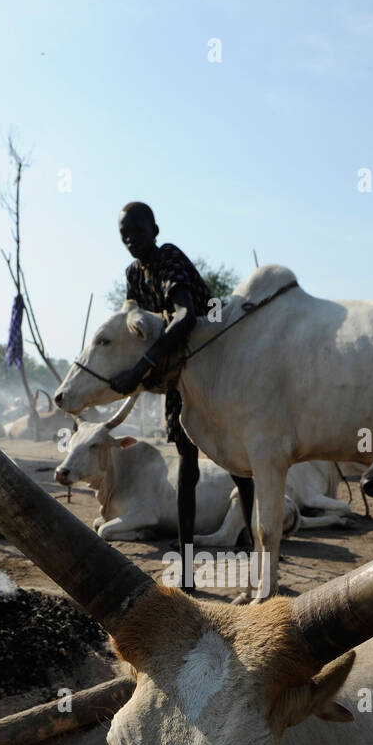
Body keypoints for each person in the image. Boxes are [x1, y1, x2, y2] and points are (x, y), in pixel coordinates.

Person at [112, 202, 254, 568]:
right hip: (179, 377)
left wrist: (142, 365)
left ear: (155, 231)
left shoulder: (169, 257)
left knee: (237, 463)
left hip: (214, 372)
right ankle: (187, 561)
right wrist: (129, 311)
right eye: (124, 235)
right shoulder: (134, 273)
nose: (130, 240)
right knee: (187, 466)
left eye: (137, 233)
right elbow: (135, 309)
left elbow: (186, 316)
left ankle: (256, 550)